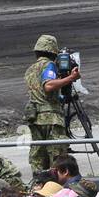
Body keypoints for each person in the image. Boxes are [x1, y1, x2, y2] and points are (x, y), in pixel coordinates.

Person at [23, 35, 77, 173]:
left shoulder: (30, 70)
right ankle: (56, 187)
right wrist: (70, 78)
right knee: (57, 157)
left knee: (39, 156)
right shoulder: (49, 65)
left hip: (35, 118)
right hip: (51, 118)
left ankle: (39, 184)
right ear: (53, 52)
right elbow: (48, 86)